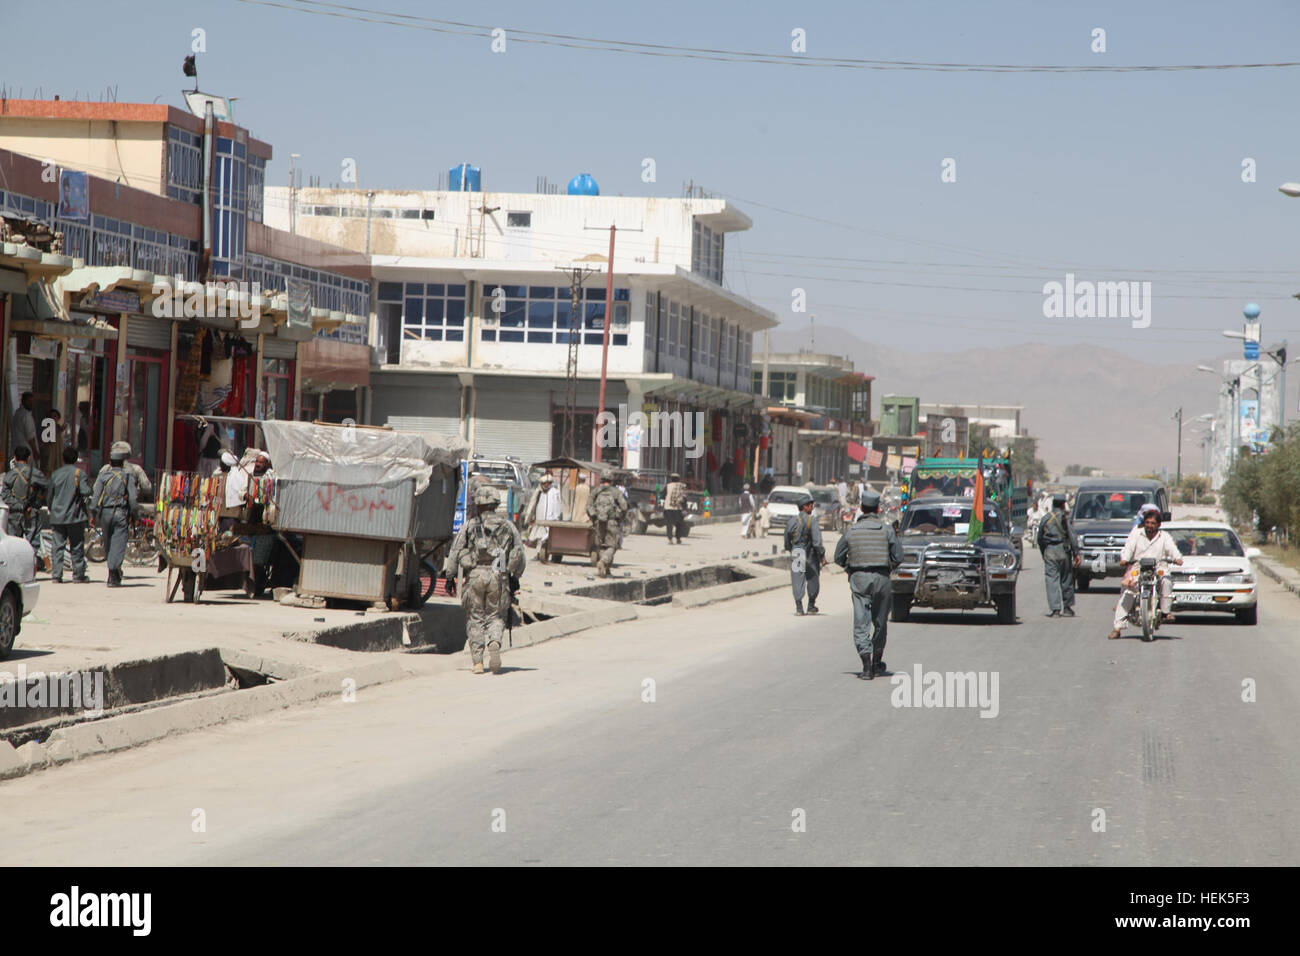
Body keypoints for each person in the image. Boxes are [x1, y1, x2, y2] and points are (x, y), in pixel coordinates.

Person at [444, 486, 526, 674]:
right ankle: (495, 642)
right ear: (496, 504)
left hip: (474, 576)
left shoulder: (470, 525)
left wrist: (450, 577)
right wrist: (516, 578)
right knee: (496, 616)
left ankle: (478, 662)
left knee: (475, 618)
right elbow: (519, 552)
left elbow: (455, 551)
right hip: (499, 575)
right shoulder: (507, 526)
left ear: (479, 505)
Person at [835, 491, 904, 680]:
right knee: (880, 622)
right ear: (878, 509)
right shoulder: (887, 530)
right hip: (882, 578)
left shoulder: (851, 531)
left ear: (862, 508)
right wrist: (888, 567)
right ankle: (876, 662)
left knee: (861, 622)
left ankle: (866, 667)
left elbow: (837, 557)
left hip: (859, 579)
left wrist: (850, 569)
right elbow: (898, 557)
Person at [1108, 505, 1182, 640]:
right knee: (1128, 591)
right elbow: (1128, 548)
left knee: (1166, 581)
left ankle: (1166, 612)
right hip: (1138, 567)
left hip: (1159, 567)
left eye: (1153, 523)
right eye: (1147, 522)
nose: (1149, 525)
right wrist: (1124, 559)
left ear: (1158, 525)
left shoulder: (1164, 536)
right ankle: (1117, 627)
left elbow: (1172, 549)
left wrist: (1177, 558)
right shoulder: (1136, 533)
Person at [91, 441, 138, 587]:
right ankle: (113, 574)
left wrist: (93, 514)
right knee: (119, 544)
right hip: (121, 513)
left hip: (105, 513)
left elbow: (95, 498)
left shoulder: (103, 476)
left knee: (109, 544)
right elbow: (133, 499)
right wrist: (135, 515)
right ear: (123, 463)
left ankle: (114, 572)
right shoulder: (128, 477)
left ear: (110, 462)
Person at [48, 445, 92, 583]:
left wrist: (52, 509)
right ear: (75, 459)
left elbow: (50, 495)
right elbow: (86, 492)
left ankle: (56, 575)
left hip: (58, 516)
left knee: (57, 546)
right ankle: (78, 575)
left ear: (63, 458)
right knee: (77, 546)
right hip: (75, 516)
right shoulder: (79, 474)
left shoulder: (55, 474)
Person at [1039, 493, 1080, 618]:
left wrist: (1044, 552)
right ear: (1063, 504)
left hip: (1050, 551)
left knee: (1052, 580)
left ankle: (1055, 609)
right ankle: (1067, 608)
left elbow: (1040, 538)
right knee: (1066, 579)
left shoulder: (1046, 518)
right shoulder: (1065, 518)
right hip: (1064, 551)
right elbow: (1072, 537)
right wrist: (1076, 553)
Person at [784, 495, 824, 615]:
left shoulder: (791, 521)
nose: (812, 506)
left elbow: (787, 539)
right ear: (804, 507)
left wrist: (791, 549)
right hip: (810, 553)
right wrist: (821, 555)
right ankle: (811, 605)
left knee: (797, 579)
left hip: (797, 552)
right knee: (813, 578)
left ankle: (799, 608)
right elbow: (817, 542)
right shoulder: (812, 520)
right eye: (810, 504)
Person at [587, 473, 628, 577]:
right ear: (611, 479)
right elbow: (624, 507)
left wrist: (594, 518)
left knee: (601, 545)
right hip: (612, 522)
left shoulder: (595, 491)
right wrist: (620, 517)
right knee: (612, 546)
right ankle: (603, 562)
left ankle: (606, 569)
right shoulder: (616, 492)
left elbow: (588, 506)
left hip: (599, 522)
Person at [1, 446, 45, 539]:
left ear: (15, 457)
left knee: (14, 543)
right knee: (32, 545)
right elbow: (45, 489)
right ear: (29, 458)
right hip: (31, 513)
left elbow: (5, 495)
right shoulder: (36, 474)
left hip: (14, 514)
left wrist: (18, 505)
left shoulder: (10, 475)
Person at [523, 472, 561, 549]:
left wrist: (557, 518)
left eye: (547, 483)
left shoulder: (554, 492)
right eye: (543, 483)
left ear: (550, 483)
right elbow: (532, 504)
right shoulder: (539, 491)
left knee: (546, 538)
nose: (545, 485)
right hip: (540, 520)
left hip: (551, 520)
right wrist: (530, 517)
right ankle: (539, 552)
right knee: (538, 537)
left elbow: (558, 506)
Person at [10, 392, 39, 463]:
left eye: (32, 401)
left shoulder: (18, 412)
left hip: (16, 450)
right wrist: (35, 452)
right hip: (25, 452)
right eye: (29, 401)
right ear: (23, 401)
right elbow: (30, 437)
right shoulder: (26, 415)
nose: (31, 404)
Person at [663, 472, 687, 544]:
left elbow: (662, 495)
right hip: (678, 508)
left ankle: (670, 539)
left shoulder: (668, 486)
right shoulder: (682, 486)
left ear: (671, 479)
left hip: (668, 508)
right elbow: (684, 498)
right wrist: (684, 508)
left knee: (669, 524)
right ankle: (678, 539)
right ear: (679, 479)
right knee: (679, 524)